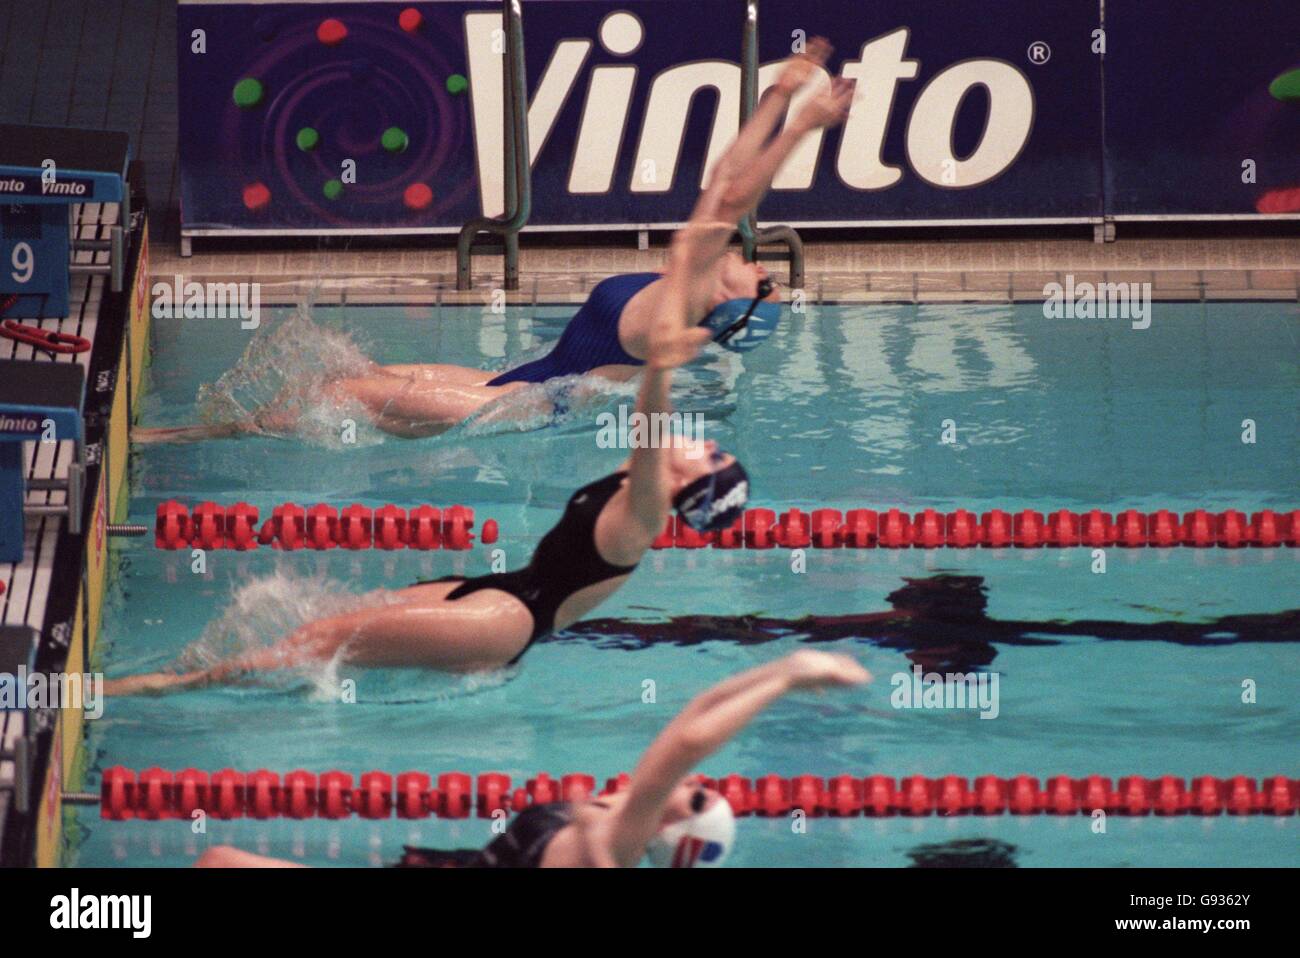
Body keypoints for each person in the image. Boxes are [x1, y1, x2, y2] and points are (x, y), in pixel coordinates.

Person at [132, 38, 855, 443]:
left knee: (349, 393)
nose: (759, 265)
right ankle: (219, 428)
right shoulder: (693, 285)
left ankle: (185, 440)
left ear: (730, 306)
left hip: (524, 411)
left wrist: (798, 123)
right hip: (526, 380)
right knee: (352, 375)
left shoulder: (688, 296)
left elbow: (730, 195)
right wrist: (776, 99)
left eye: (763, 284)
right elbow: (726, 176)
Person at [105, 245, 748, 693]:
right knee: (326, 627)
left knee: (323, 639)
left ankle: (159, 687)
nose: (703, 445)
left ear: (690, 487)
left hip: (502, 618)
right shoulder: (640, 486)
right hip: (491, 595)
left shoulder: (641, 513)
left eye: (712, 459)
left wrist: (662, 367)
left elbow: (651, 423)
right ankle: (182, 676)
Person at [192, 650, 871, 868]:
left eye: (698, 800)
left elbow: (686, 744)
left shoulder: (618, 842)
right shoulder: (616, 824)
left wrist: (787, 679)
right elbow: (694, 717)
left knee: (220, 864)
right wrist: (780, 669)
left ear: (676, 835)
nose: (694, 784)